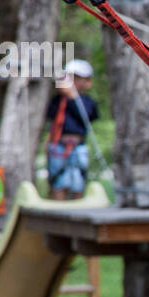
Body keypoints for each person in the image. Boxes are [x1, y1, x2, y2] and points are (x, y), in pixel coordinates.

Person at [44, 58, 100, 200]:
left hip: (78, 147)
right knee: (58, 181)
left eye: (76, 78)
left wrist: (72, 96)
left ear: (87, 82)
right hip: (58, 146)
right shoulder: (57, 101)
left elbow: (86, 117)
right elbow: (52, 121)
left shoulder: (87, 102)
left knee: (78, 182)